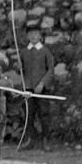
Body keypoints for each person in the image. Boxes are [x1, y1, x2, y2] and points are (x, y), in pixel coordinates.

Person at [20, 18, 56, 150]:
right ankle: (30, 140)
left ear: (40, 36)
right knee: (29, 115)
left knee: (44, 115)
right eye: (31, 34)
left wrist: (42, 83)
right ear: (27, 36)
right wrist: (18, 66)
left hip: (42, 90)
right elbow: (21, 69)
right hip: (28, 89)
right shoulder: (24, 52)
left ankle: (46, 140)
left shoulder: (45, 51)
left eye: (36, 34)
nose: (33, 36)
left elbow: (51, 70)